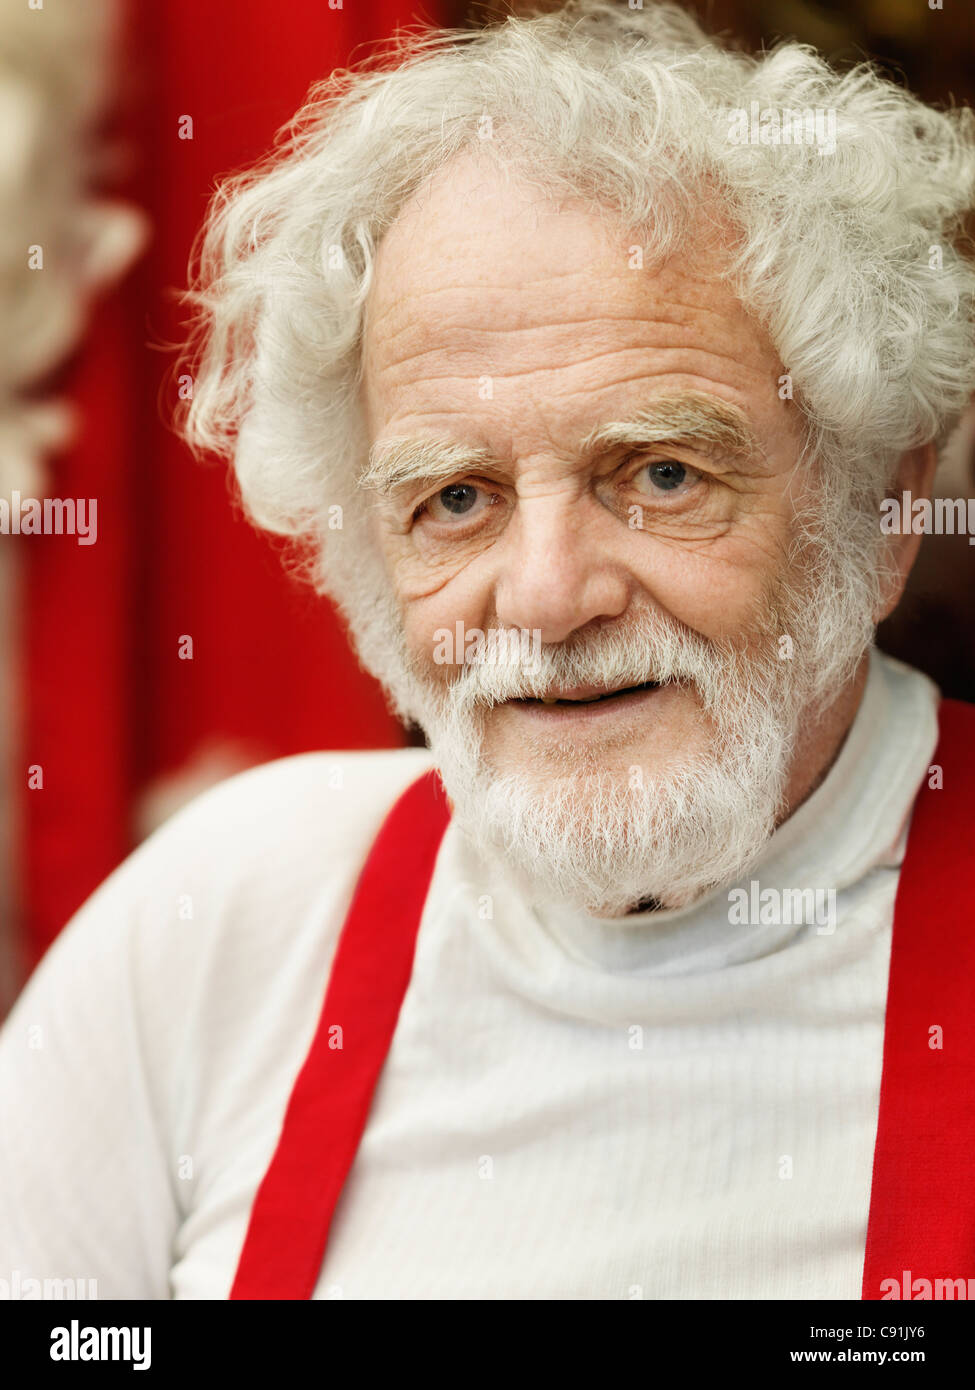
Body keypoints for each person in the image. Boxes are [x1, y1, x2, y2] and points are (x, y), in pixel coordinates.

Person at [2, 0, 975, 1301]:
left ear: (885, 507)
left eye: (662, 471)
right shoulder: (221, 927)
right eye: (454, 498)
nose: (548, 595)